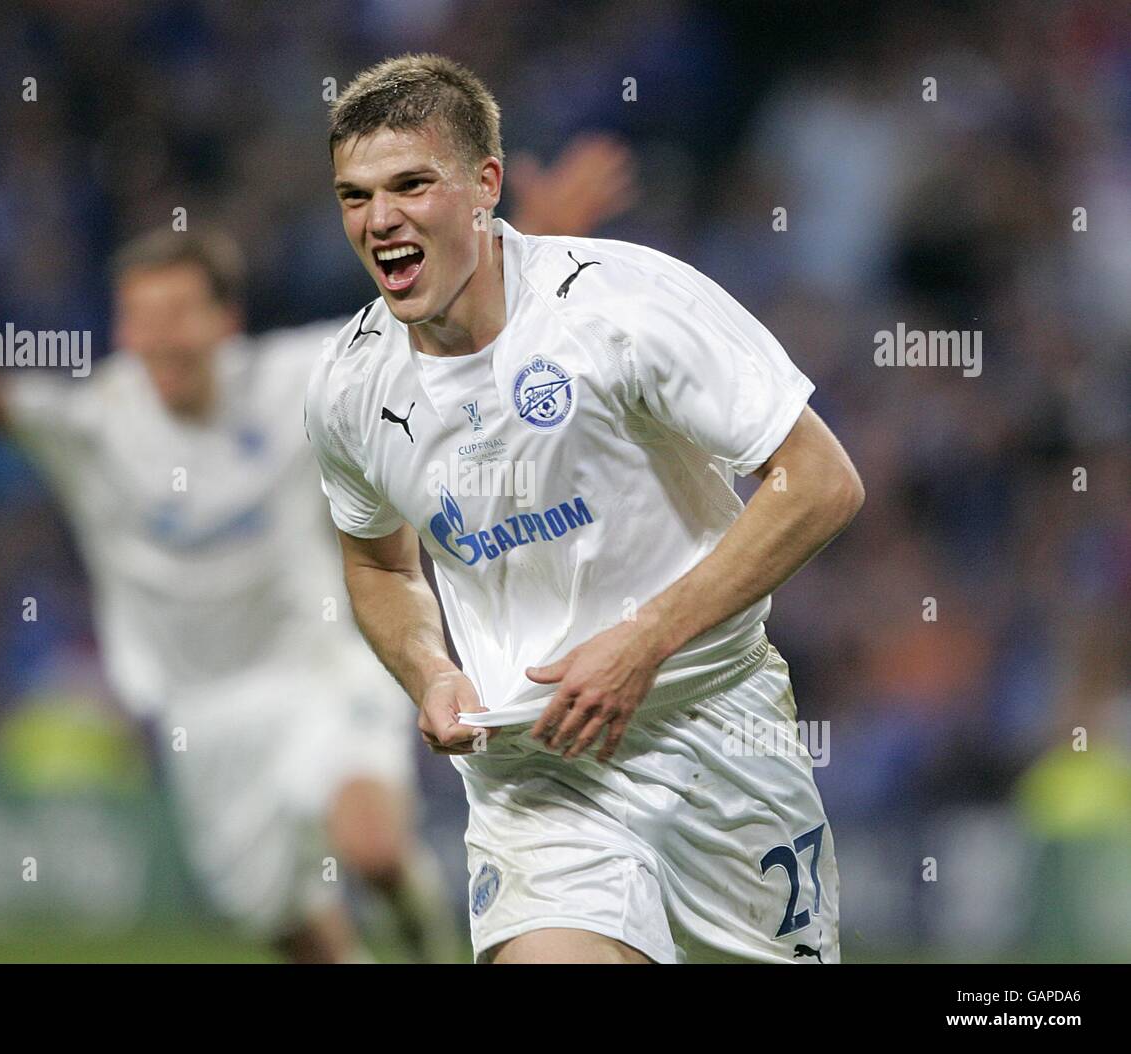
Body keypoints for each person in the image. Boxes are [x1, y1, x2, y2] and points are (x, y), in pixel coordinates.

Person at [0, 134, 637, 963]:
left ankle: (428, 936)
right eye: (142, 318)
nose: (162, 337)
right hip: (201, 712)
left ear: (224, 320)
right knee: (294, 931)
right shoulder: (99, 425)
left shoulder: (298, 377)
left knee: (369, 846)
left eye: (181, 313)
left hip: (320, 666)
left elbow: (430, 318)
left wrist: (514, 244)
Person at [305, 54, 865, 964]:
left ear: (486, 183)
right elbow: (376, 563)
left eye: (411, 184)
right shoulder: (346, 385)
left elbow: (820, 481)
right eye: (354, 196)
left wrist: (643, 641)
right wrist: (429, 670)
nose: (380, 221)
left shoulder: (623, 305)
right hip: (538, 773)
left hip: (717, 736)